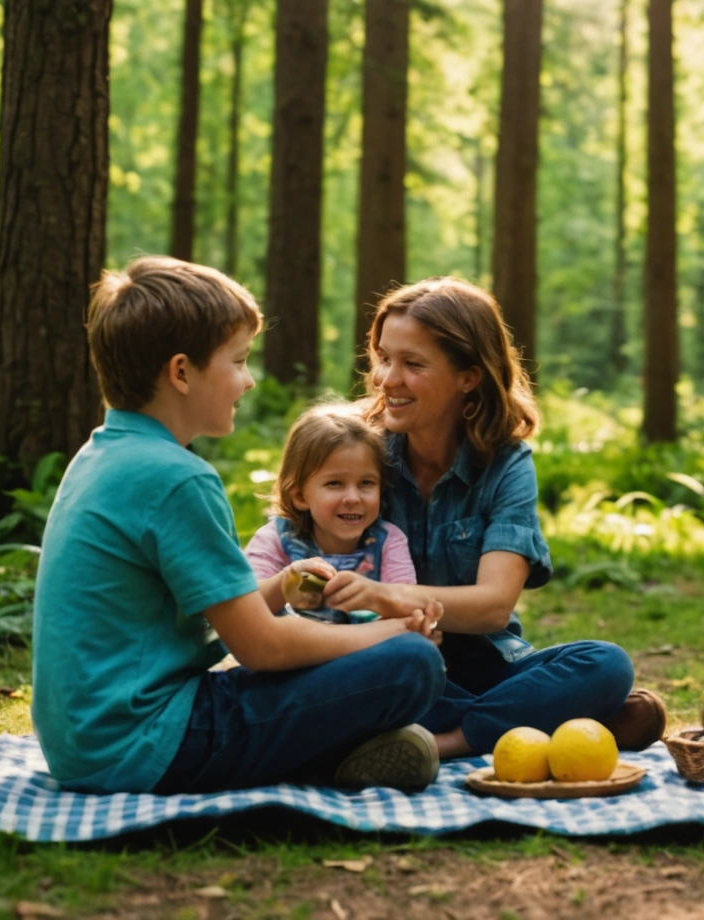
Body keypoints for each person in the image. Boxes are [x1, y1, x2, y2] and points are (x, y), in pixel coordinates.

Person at [32, 257, 445, 796]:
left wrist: (280, 589)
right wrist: (394, 631)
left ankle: (340, 749)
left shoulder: (100, 454)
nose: (248, 381)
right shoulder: (177, 478)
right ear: (181, 372)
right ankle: (338, 754)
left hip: (85, 742)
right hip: (145, 742)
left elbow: (226, 621)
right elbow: (262, 647)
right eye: (239, 361)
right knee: (412, 662)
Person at [312, 277, 666, 760]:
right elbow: (295, 544)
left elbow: (493, 608)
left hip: (485, 663)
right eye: (384, 357)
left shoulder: (507, 464)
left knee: (606, 665)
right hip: (384, 661)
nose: (386, 379)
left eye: (412, 364)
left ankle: (440, 743)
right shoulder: (355, 448)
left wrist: (386, 594)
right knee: (632, 712)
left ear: (469, 376)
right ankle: (537, 721)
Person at [244, 405, 416, 623]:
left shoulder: (387, 540)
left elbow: (407, 603)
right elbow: (246, 607)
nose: (353, 498)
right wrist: (285, 583)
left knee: (419, 647)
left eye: (366, 483)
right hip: (296, 648)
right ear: (300, 496)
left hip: (366, 647)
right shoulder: (277, 538)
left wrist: (379, 598)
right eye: (335, 483)